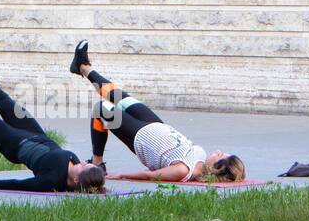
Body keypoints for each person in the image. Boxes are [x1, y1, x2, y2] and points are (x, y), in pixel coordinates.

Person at [0, 32, 106, 193]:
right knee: (1, 98)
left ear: (76, 180)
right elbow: (93, 180)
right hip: (36, 133)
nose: (83, 162)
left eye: (84, 166)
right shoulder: (75, 167)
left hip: (17, 144)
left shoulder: (52, 181)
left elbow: (20, 184)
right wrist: (97, 176)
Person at [68, 40, 246, 183]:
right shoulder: (199, 159)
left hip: (140, 137)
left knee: (101, 109)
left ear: (217, 167)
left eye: (220, 155)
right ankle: (83, 67)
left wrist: (121, 175)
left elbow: (151, 176)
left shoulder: (185, 170)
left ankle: (97, 164)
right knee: (119, 96)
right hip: (156, 126)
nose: (218, 151)